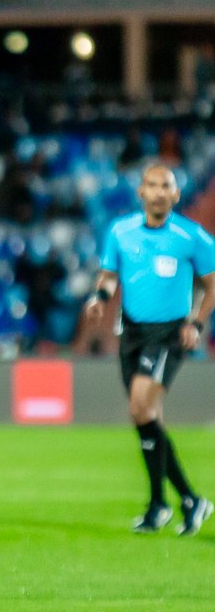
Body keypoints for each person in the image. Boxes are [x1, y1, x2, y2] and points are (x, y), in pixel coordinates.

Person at [84, 163, 215, 535]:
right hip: (132, 332)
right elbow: (109, 275)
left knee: (141, 405)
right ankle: (178, 501)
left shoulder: (192, 237)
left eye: (166, 186)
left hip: (170, 333)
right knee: (145, 416)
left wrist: (197, 322)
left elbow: (211, 283)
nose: (159, 192)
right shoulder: (121, 232)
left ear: (175, 194)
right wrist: (98, 297)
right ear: (141, 192)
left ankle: (170, 501)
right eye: (152, 185)